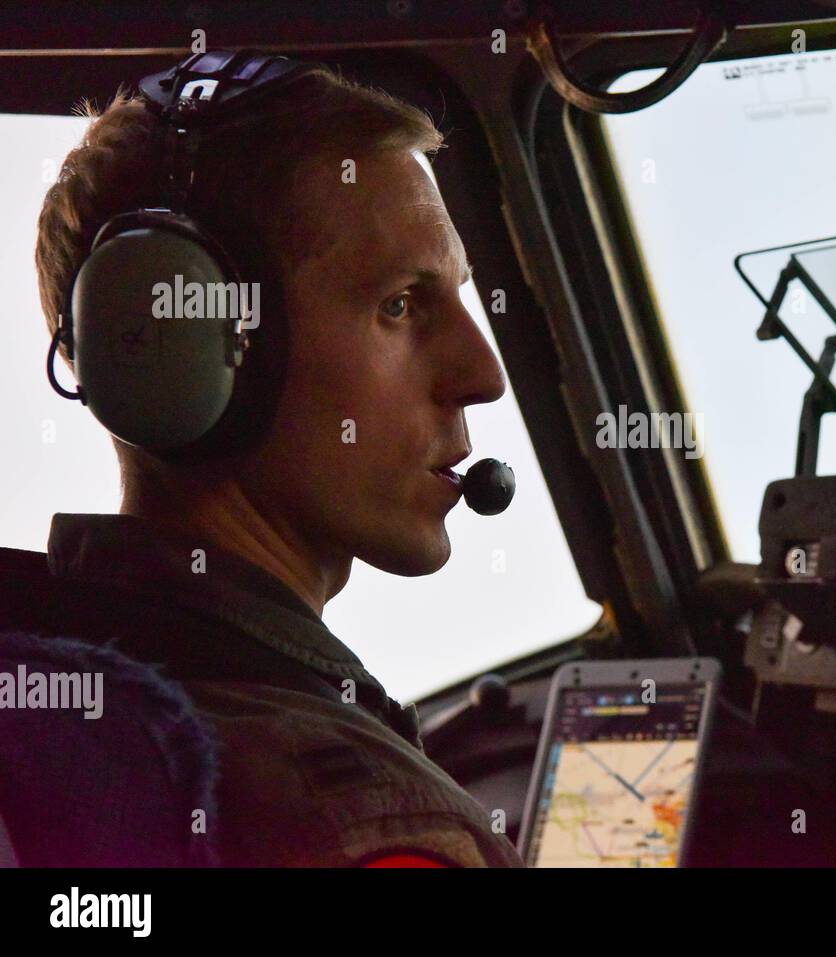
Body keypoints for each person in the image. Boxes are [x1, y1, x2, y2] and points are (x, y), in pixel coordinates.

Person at [14, 50, 522, 866]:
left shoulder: (59, 687)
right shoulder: (354, 817)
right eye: (399, 304)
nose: (483, 375)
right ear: (184, 352)